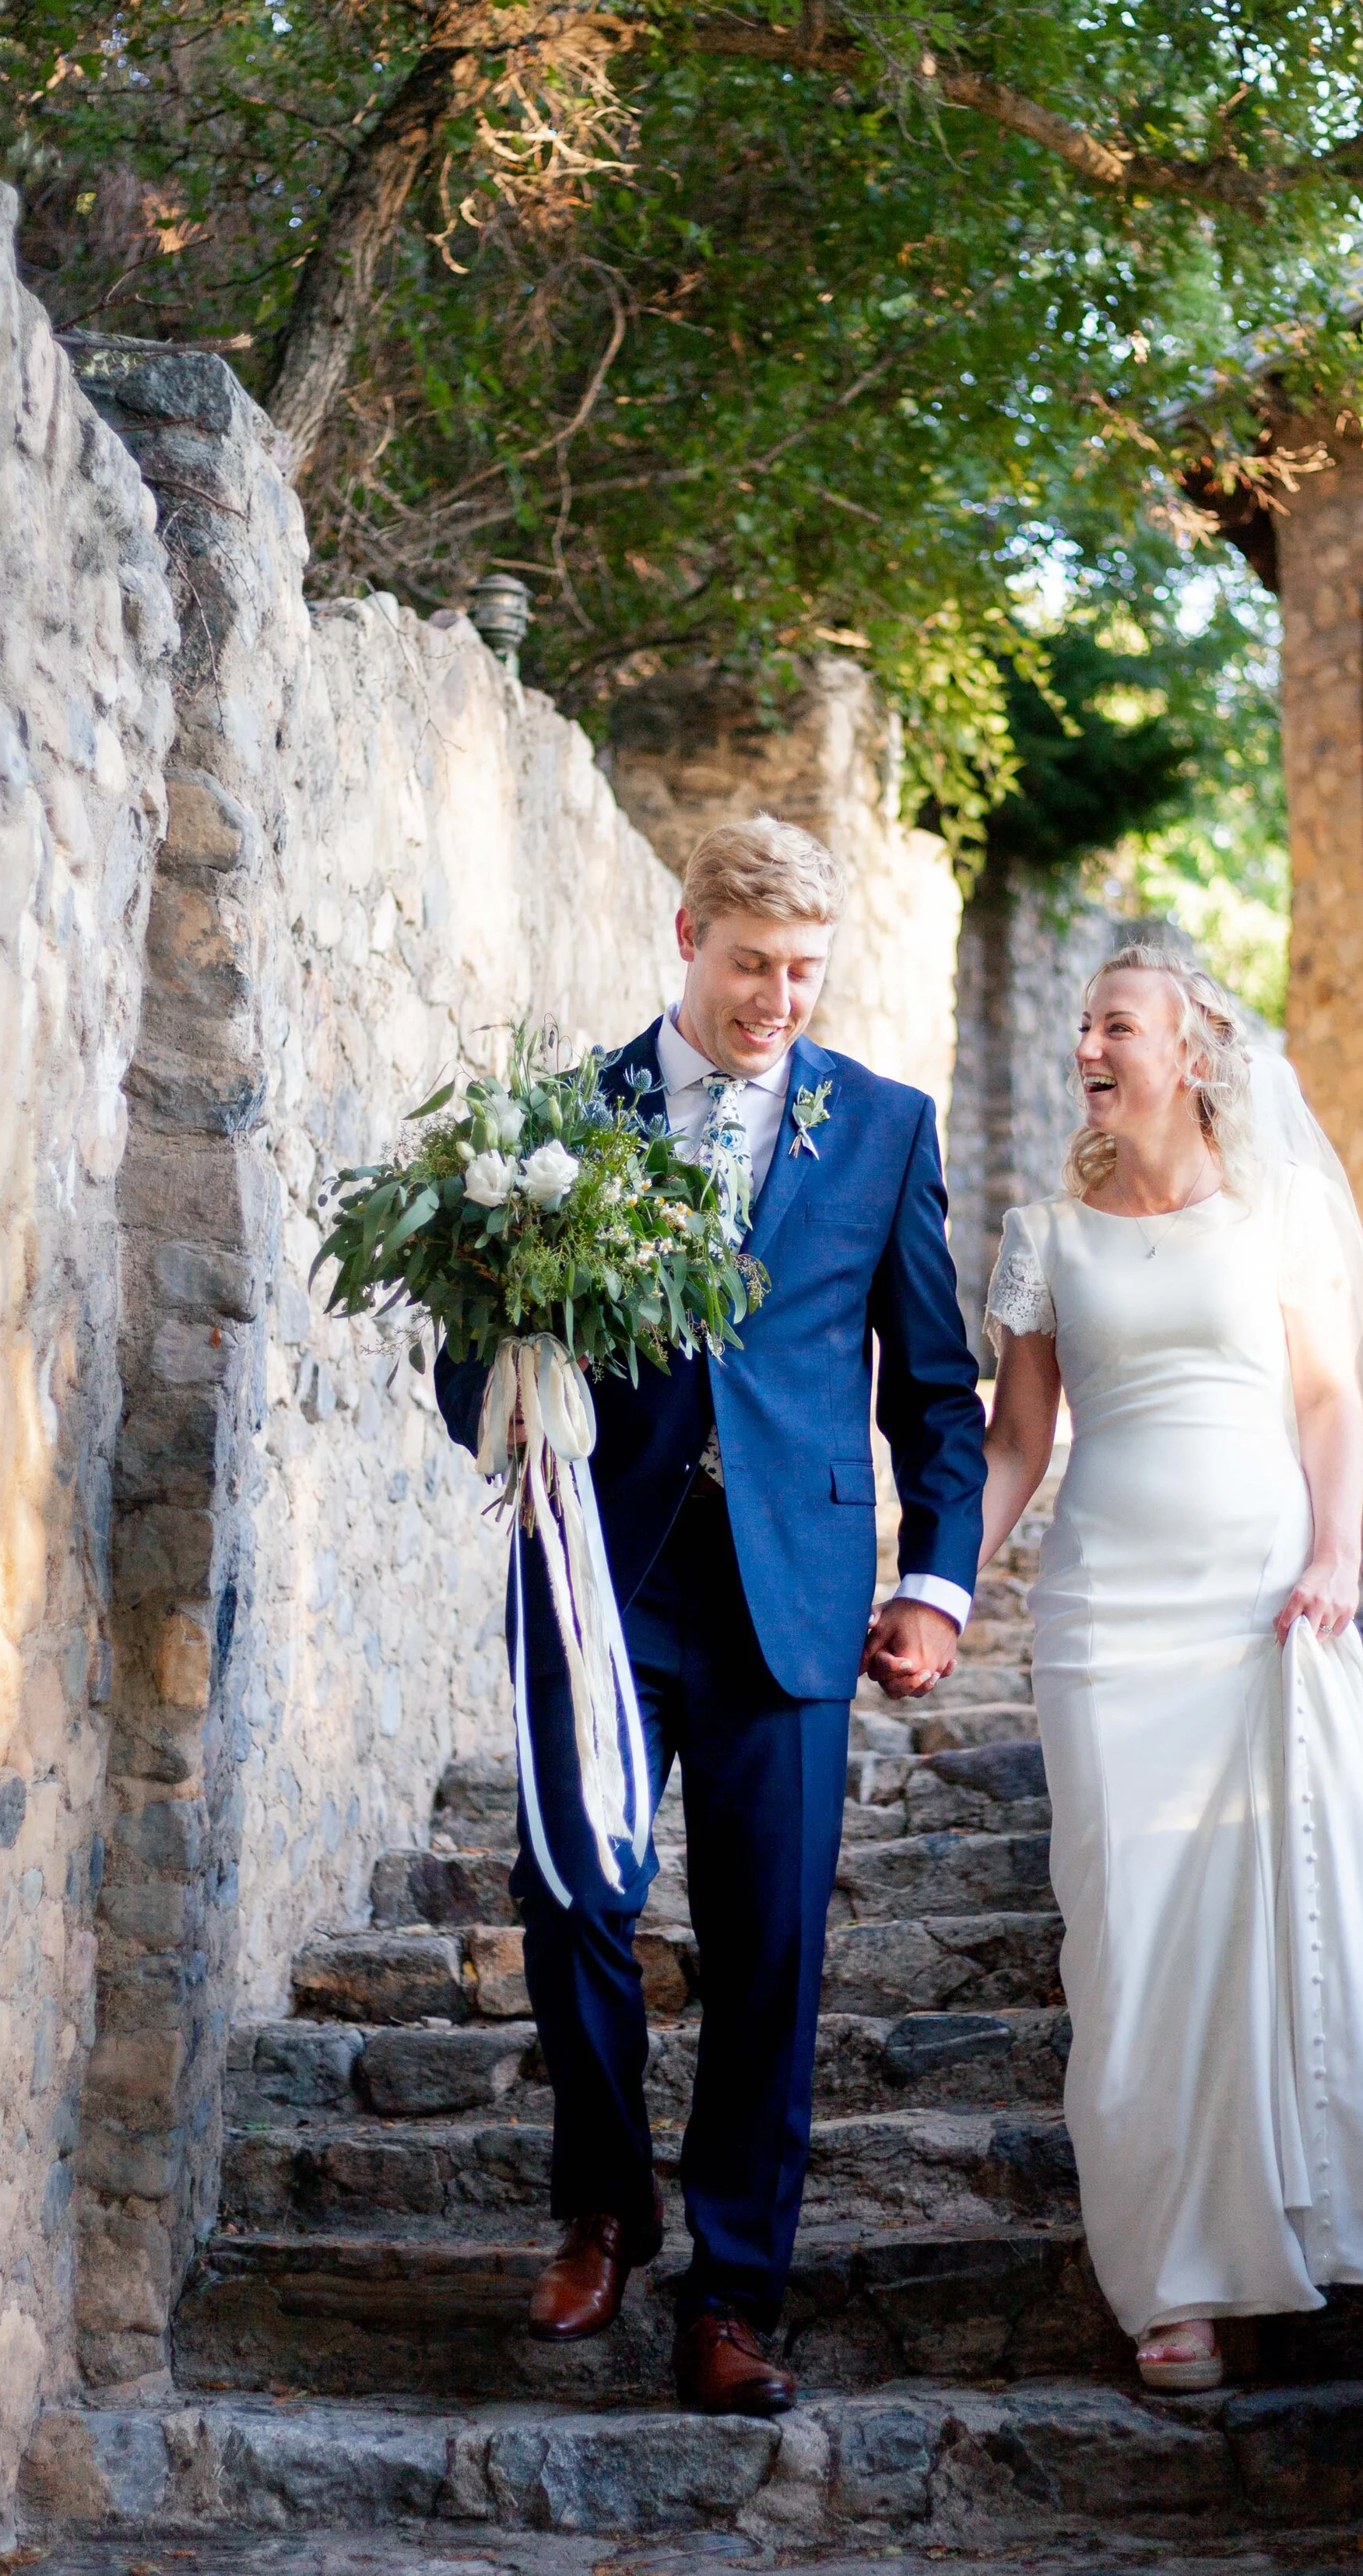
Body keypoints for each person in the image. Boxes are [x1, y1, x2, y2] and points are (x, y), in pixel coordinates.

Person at [435, 815, 985, 2416]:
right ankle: (604, 2206)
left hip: (792, 1596)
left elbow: (933, 1388)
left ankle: (731, 2295)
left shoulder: (879, 1127)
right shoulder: (557, 1119)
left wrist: (935, 1581)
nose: (776, 1000)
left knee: (769, 1955)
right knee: (569, 1894)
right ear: (687, 935)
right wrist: (506, 1398)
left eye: (804, 974)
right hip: (599, 1577)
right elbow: (470, 1350)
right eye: (751, 967)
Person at [978, 942, 1363, 2393]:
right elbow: (1016, 1448)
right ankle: (1166, 2273)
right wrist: (940, 1580)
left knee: (1253, 1920)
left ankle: (1262, 2246)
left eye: (1114, 1021)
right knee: (1126, 1939)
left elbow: (1328, 1400)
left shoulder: (1275, 1218)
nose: (1088, 1041)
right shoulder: (1045, 1239)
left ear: (1189, 1052)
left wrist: (1338, 1555)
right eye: (1081, 1020)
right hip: (1101, 1617)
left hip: (1259, 1598)